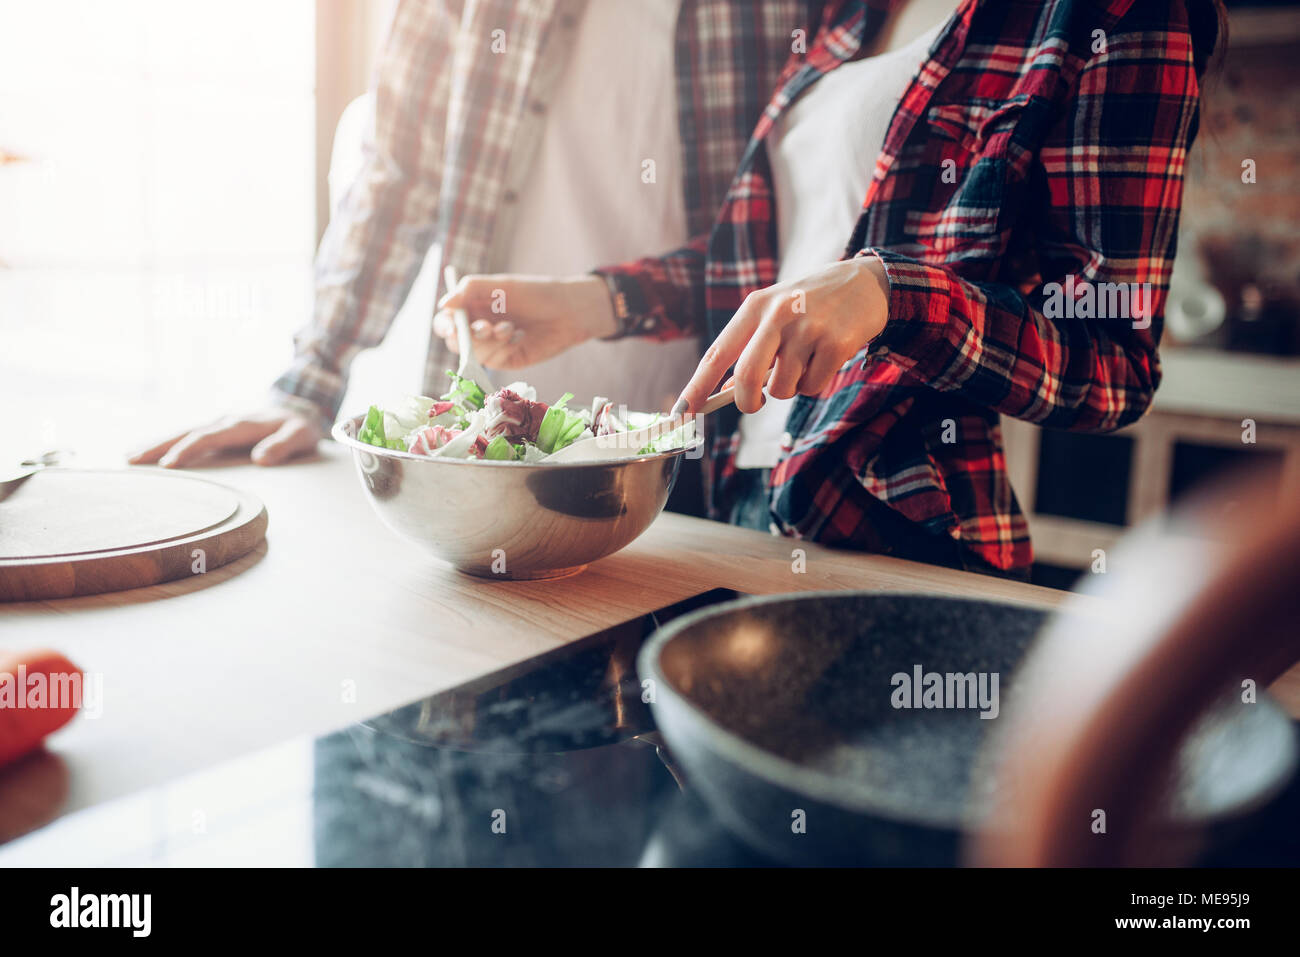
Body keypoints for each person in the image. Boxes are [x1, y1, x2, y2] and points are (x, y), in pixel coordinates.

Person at [435, 0, 1224, 579]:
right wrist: (593, 303)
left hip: (895, 535)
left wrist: (889, 294)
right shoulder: (845, 14)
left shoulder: (1116, 15)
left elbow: (1112, 361)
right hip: (726, 504)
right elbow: (781, 270)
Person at [131, 0, 806, 473]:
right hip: (482, 443)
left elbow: (783, 219)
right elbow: (398, 170)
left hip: (690, 433)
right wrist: (310, 380)